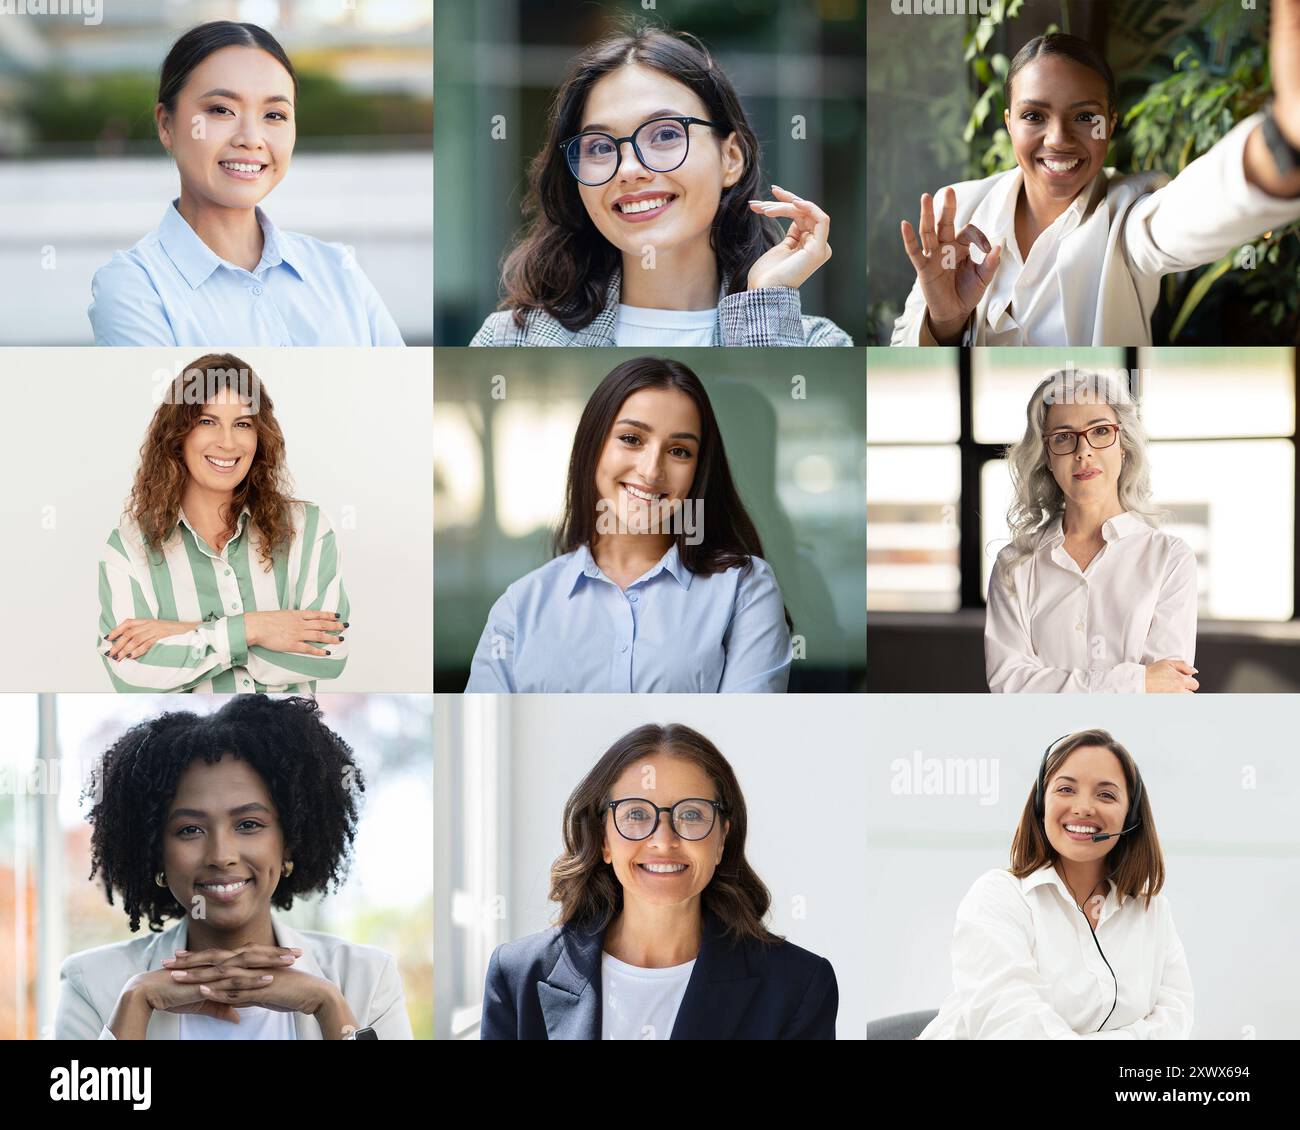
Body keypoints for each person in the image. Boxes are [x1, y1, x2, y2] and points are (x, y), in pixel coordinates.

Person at [892, 13, 1300, 346]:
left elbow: (1192, 211)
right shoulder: (960, 210)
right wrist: (945, 321)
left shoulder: (1130, 214)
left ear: (1111, 123)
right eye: (1034, 116)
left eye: (1086, 117)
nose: (1058, 139)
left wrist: (1283, 136)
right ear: (1009, 124)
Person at [56, 696, 412, 1040]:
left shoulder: (365, 978)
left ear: (288, 844)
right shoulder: (91, 982)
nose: (221, 855)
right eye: (190, 830)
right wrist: (135, 1004)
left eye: (248, 825)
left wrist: (330, 1006)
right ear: (156, 853)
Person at [471, 24, 850, 347]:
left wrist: (765, 300)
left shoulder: (819, 342)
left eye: (666, 135)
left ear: (731, 157)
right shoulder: (510, 339)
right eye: (601, 146)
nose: (630, 169)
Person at [480, 722, 838, 1039]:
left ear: (721, 839)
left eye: (691, 815)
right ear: (604, 839)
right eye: (636, 813)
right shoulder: (517, 976)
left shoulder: (798, 986)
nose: (664, 841)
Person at [467, 357, 792, 692]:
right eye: (632, 439)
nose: (651, 471)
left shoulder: (744, 589)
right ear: (593, 445)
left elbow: (739, 733)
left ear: (699, 470)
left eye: (679, 451)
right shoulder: (519, 608)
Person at [88, 21, 403, 346]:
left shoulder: (338, 269)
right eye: (222, 110)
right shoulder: (134, 285)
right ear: (167, 125)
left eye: (275, 115)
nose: (251, 139)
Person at [97, 353, 350, 693]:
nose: (228, 442)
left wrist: (179, 632)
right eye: (207, 421)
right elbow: (132, 671)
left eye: (243, 424)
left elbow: (328, 653)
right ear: (177, 435)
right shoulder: (129, 546)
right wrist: (255, 627)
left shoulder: (307, 528)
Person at [919, 729, 1193, 1039]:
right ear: (1041, 803)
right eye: (1066, 789)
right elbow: (1012, 1026)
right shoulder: (998, 896)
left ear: (1130, 817)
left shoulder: (1152, 912)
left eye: (1106, 794)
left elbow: (1174, 1022)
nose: (1083, 807)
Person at [985, 368, 1197, 694]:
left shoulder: (1170, 559)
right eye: (1064, 437)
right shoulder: (1013, 564)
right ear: (1046, 458)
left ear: (1122, 446)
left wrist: (1051, 686)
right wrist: (1136, 681)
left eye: (1100, 431)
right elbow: (1009, 686)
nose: (1083, 451)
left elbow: (1166, 692)